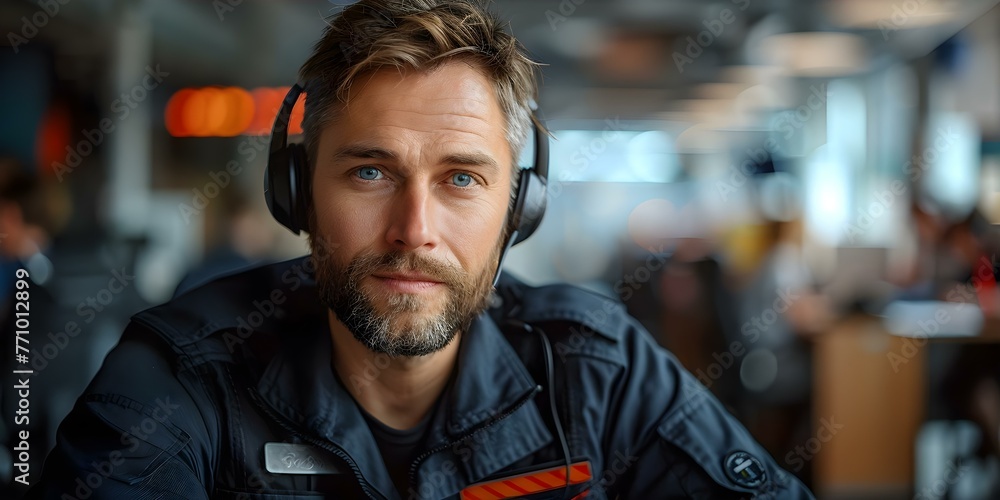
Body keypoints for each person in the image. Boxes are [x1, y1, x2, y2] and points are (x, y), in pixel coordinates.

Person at [30, 1, 813, 498]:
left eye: (462, 178)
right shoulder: (181, 378)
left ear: (520, 206)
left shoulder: (598, 373)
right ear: (297, 191)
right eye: (370, 171)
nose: (415, 229)